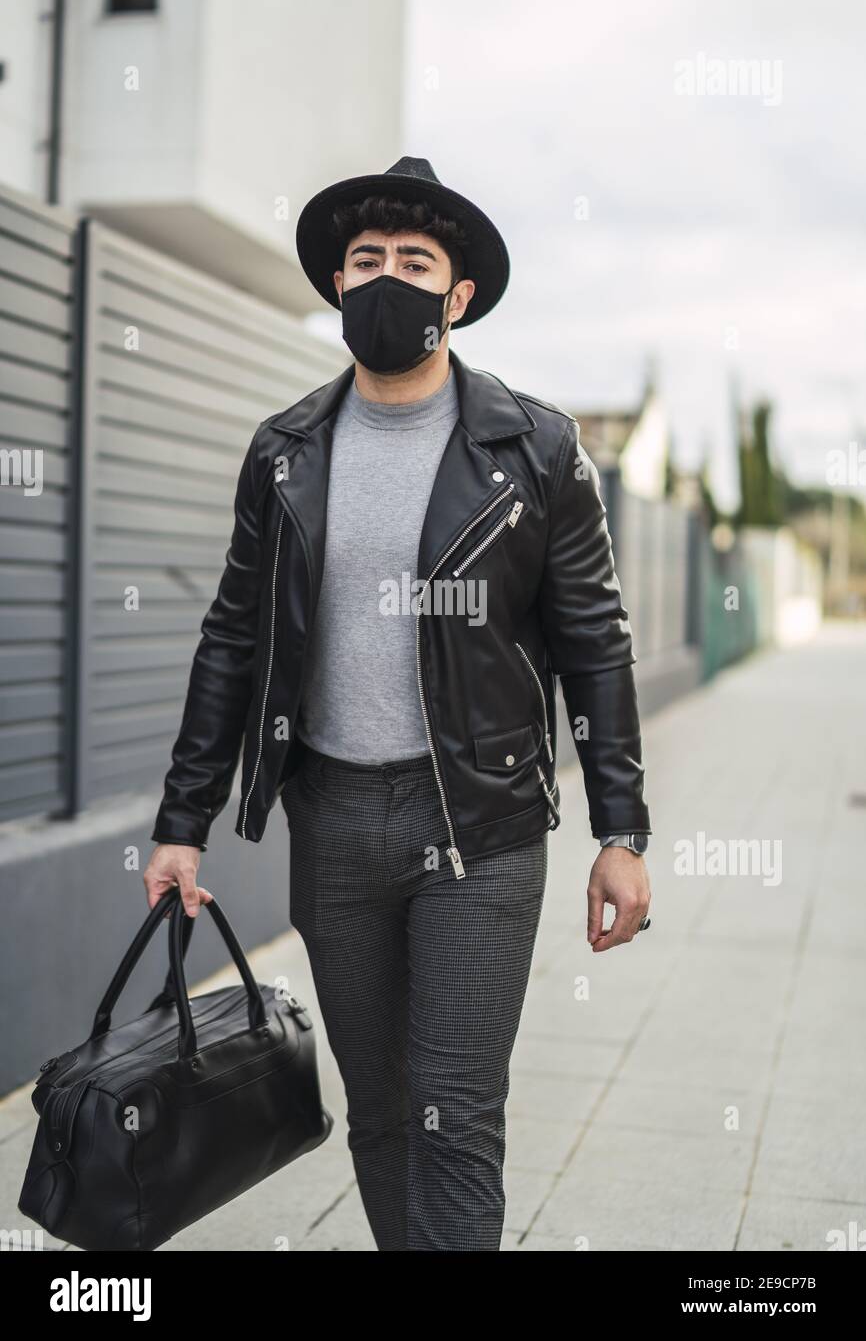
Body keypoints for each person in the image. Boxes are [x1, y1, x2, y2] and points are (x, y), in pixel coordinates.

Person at [143, 156, 652, 1251]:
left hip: (480, 825)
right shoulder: (284, 452)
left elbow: (594, 645)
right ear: (336, 284)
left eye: (414, 263)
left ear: (456, 297)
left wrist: (622, 829)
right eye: (366, 260)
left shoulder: (534, 451)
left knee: (453, 1115)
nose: (388, 278)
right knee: (379, 1117)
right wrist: (181, 822)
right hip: (330, 821)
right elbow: (232, 635)